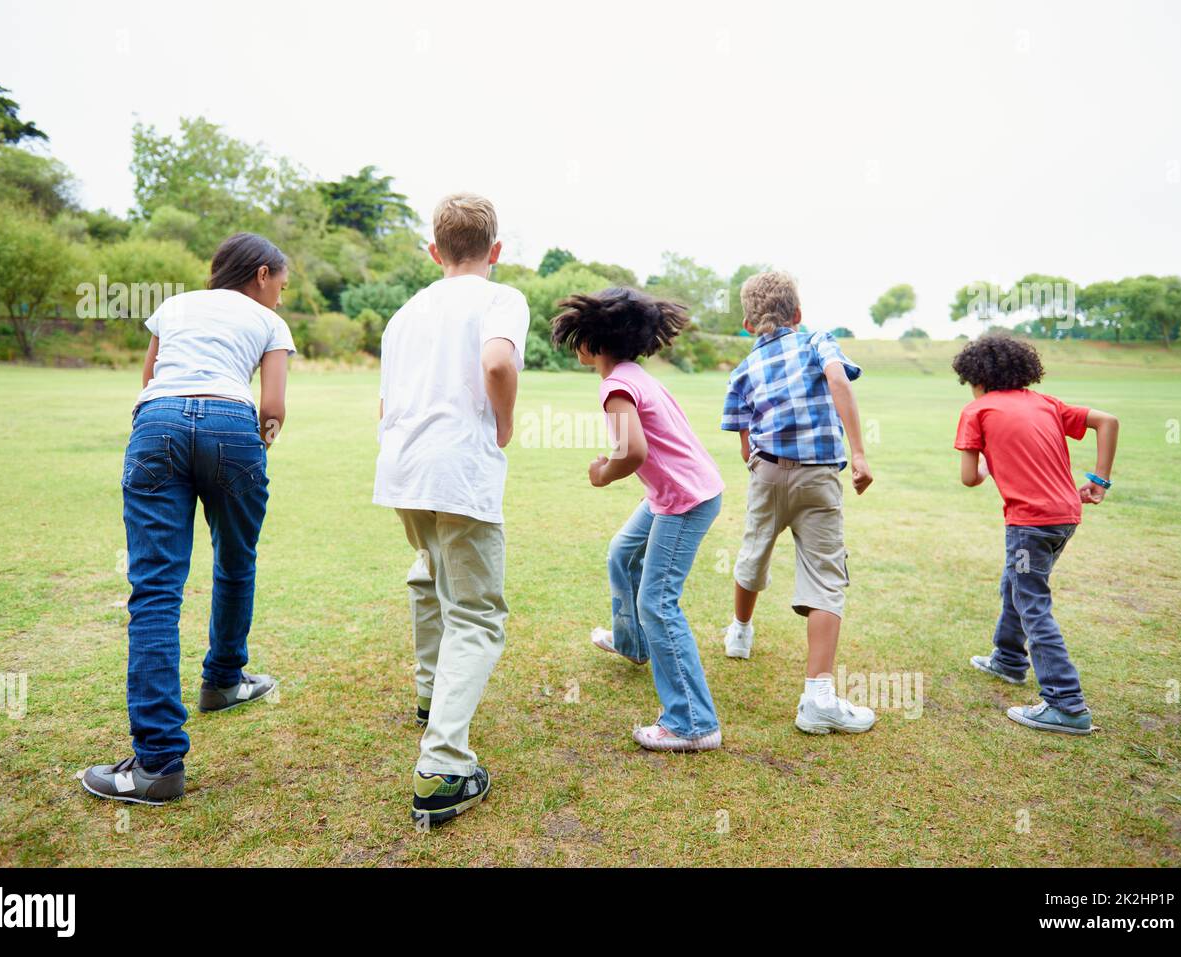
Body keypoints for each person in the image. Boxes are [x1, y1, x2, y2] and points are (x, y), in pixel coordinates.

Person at [81, 232, 295, 805]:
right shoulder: (268, 322)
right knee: (235, 560)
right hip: (233, 424)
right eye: (280, 284)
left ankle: (156, 765)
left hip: (158, 424)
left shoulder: (174, 306)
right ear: (260, 275)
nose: (280, 295)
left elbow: (150, 380)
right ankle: (224, 680)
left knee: (154, 589)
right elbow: (272, 407)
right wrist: (249, 455)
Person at [374, 193, 529, 826]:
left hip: (403, 468)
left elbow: (385, 405)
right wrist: (507, 416)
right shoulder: (501, 298)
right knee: (478, 613)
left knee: (428, 572)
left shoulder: (404, 313)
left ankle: (429, 693)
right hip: (458, 467)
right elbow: (496, 360)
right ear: (495, 251)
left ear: (434, 252)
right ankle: (442, 766)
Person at [552, 287, 726, 752]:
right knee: (623, 554)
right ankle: (631, 643)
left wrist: (601, 475)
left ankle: (693, 723)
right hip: (677, 492)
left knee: (659, 603)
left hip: (683, 500)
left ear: (589, 343)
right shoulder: (634, 375)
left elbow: (631, 451)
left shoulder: (616, 386)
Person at [720, 271, 877, 735]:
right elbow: (838, 381)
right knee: (826, 576)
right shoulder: (816, 341)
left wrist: (764, 469)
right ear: (798, 315)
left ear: (748, 324)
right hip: (820, 475)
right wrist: (861, 454)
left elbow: (744, 442)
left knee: (754, 552)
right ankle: (818, 699)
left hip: (767, 471)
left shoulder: (742, 370)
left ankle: (740, 633)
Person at [953, 333, 1118, 735]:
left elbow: (969, 478)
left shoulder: (978, 409)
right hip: (1065, 516)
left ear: (978, 377)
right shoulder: (1045, 403)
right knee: (1016, 584)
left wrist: (993, 463)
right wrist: (1099, 480)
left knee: (1032, 602)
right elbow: (1107, 422)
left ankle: (1066, 704)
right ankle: (1008, 660)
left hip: (1029, 522)